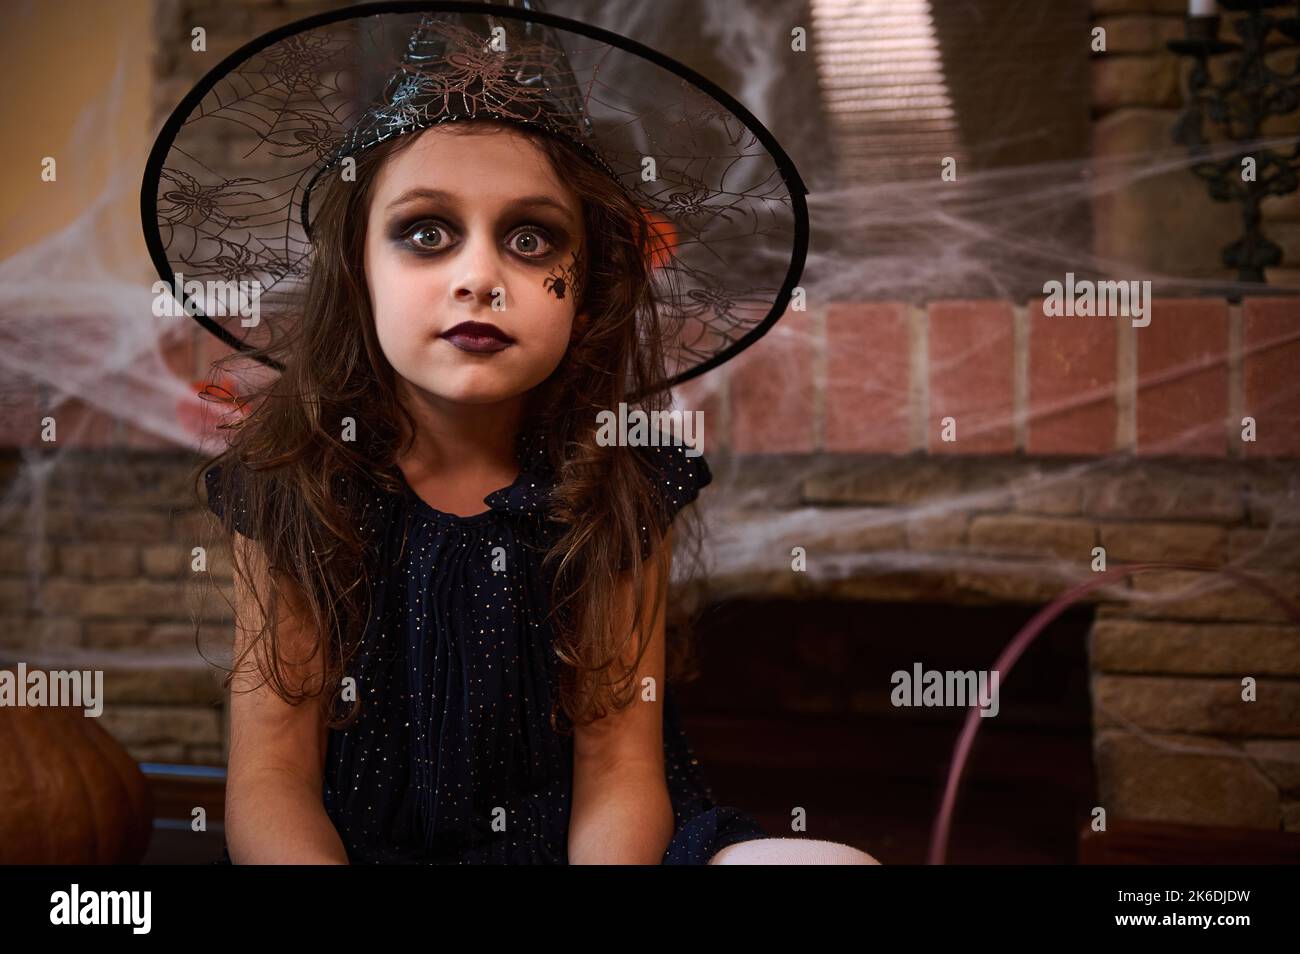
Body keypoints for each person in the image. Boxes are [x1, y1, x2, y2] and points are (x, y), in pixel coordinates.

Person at [152, 4, 877, 864]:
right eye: (426, 233)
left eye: (532, 239)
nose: (480, 278)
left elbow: (619, 774)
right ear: (358, 271)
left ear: (588, 283)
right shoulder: (296, 487)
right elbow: (272, 786)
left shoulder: (617, 488)